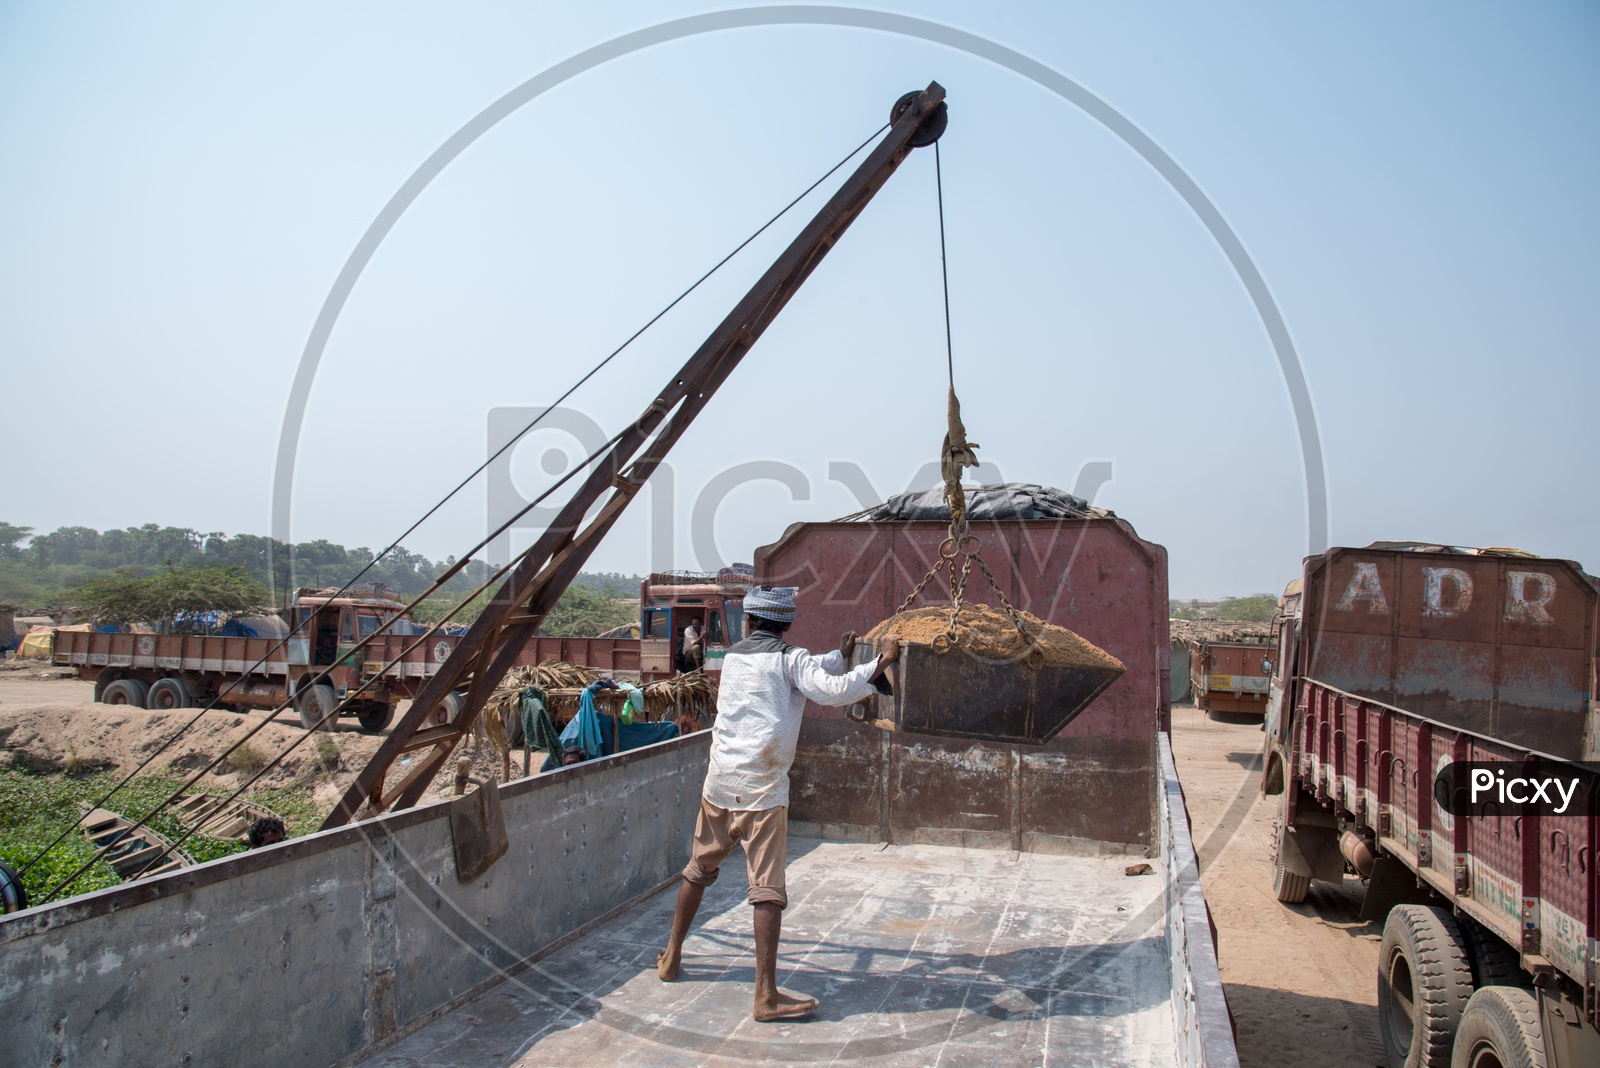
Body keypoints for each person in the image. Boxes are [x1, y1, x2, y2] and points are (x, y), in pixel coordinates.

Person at [656, 584, 900, 1022]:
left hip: (719, 783)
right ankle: (765, 996)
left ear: (749, 622)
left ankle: (671, 955)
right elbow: (830, 690)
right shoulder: (790, 658)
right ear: (787, 623)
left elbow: (804, 672)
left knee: (699, 868)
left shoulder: (734, 660)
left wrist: (837, 654)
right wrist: (880, 662)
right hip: (762, 792)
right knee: (767, 890)